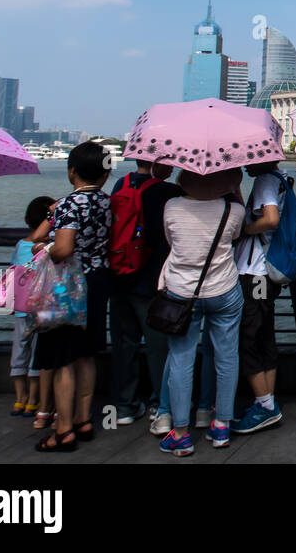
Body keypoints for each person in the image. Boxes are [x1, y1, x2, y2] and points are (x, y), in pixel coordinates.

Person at [156, 168, 246, 456]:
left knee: (181, 359)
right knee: (227, 357)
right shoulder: (233, 209)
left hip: (182, 293)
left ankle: (181, 433)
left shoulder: (171, 206)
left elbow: (172, 243)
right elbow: (235, 238)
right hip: (224, 289)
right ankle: (221, 425)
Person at [32, 143, 112, 452]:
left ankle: (63, 430)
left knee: (62, 357)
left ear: (72, 171)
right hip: (99, 280)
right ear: (105, 174)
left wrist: (43, 248)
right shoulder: (106, 202)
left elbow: (63, 249)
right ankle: (84, 420)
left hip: (69, 287)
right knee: (87, 354)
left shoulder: (69, 204)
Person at [107, 159, 180, 429]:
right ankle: (159, 405)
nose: (172, 168)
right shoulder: (167, 193)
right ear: (156, 163)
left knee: (123, 344)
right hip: (152, 281)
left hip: (119, 276)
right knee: (158, 347)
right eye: (169, 162)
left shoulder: (120, 184)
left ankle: (124, 406)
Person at [231, 161, 289, 436]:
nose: (244, 164)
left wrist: (244, 231)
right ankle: (265, 400)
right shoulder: (280, 178)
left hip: (255, 273)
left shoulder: (266, 180)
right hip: (267, 272)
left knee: (247, 336)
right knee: (265, 334)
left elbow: (271, 219)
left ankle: (266, 406)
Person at [8, 196, 55, 420]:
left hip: (20, 310)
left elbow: (12, 272)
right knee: (38, 353)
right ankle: (35, 399)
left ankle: (20, 398)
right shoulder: (48, 248)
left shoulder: (20, 246)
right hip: (42, 309)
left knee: (19, 352)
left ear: (26, 219)